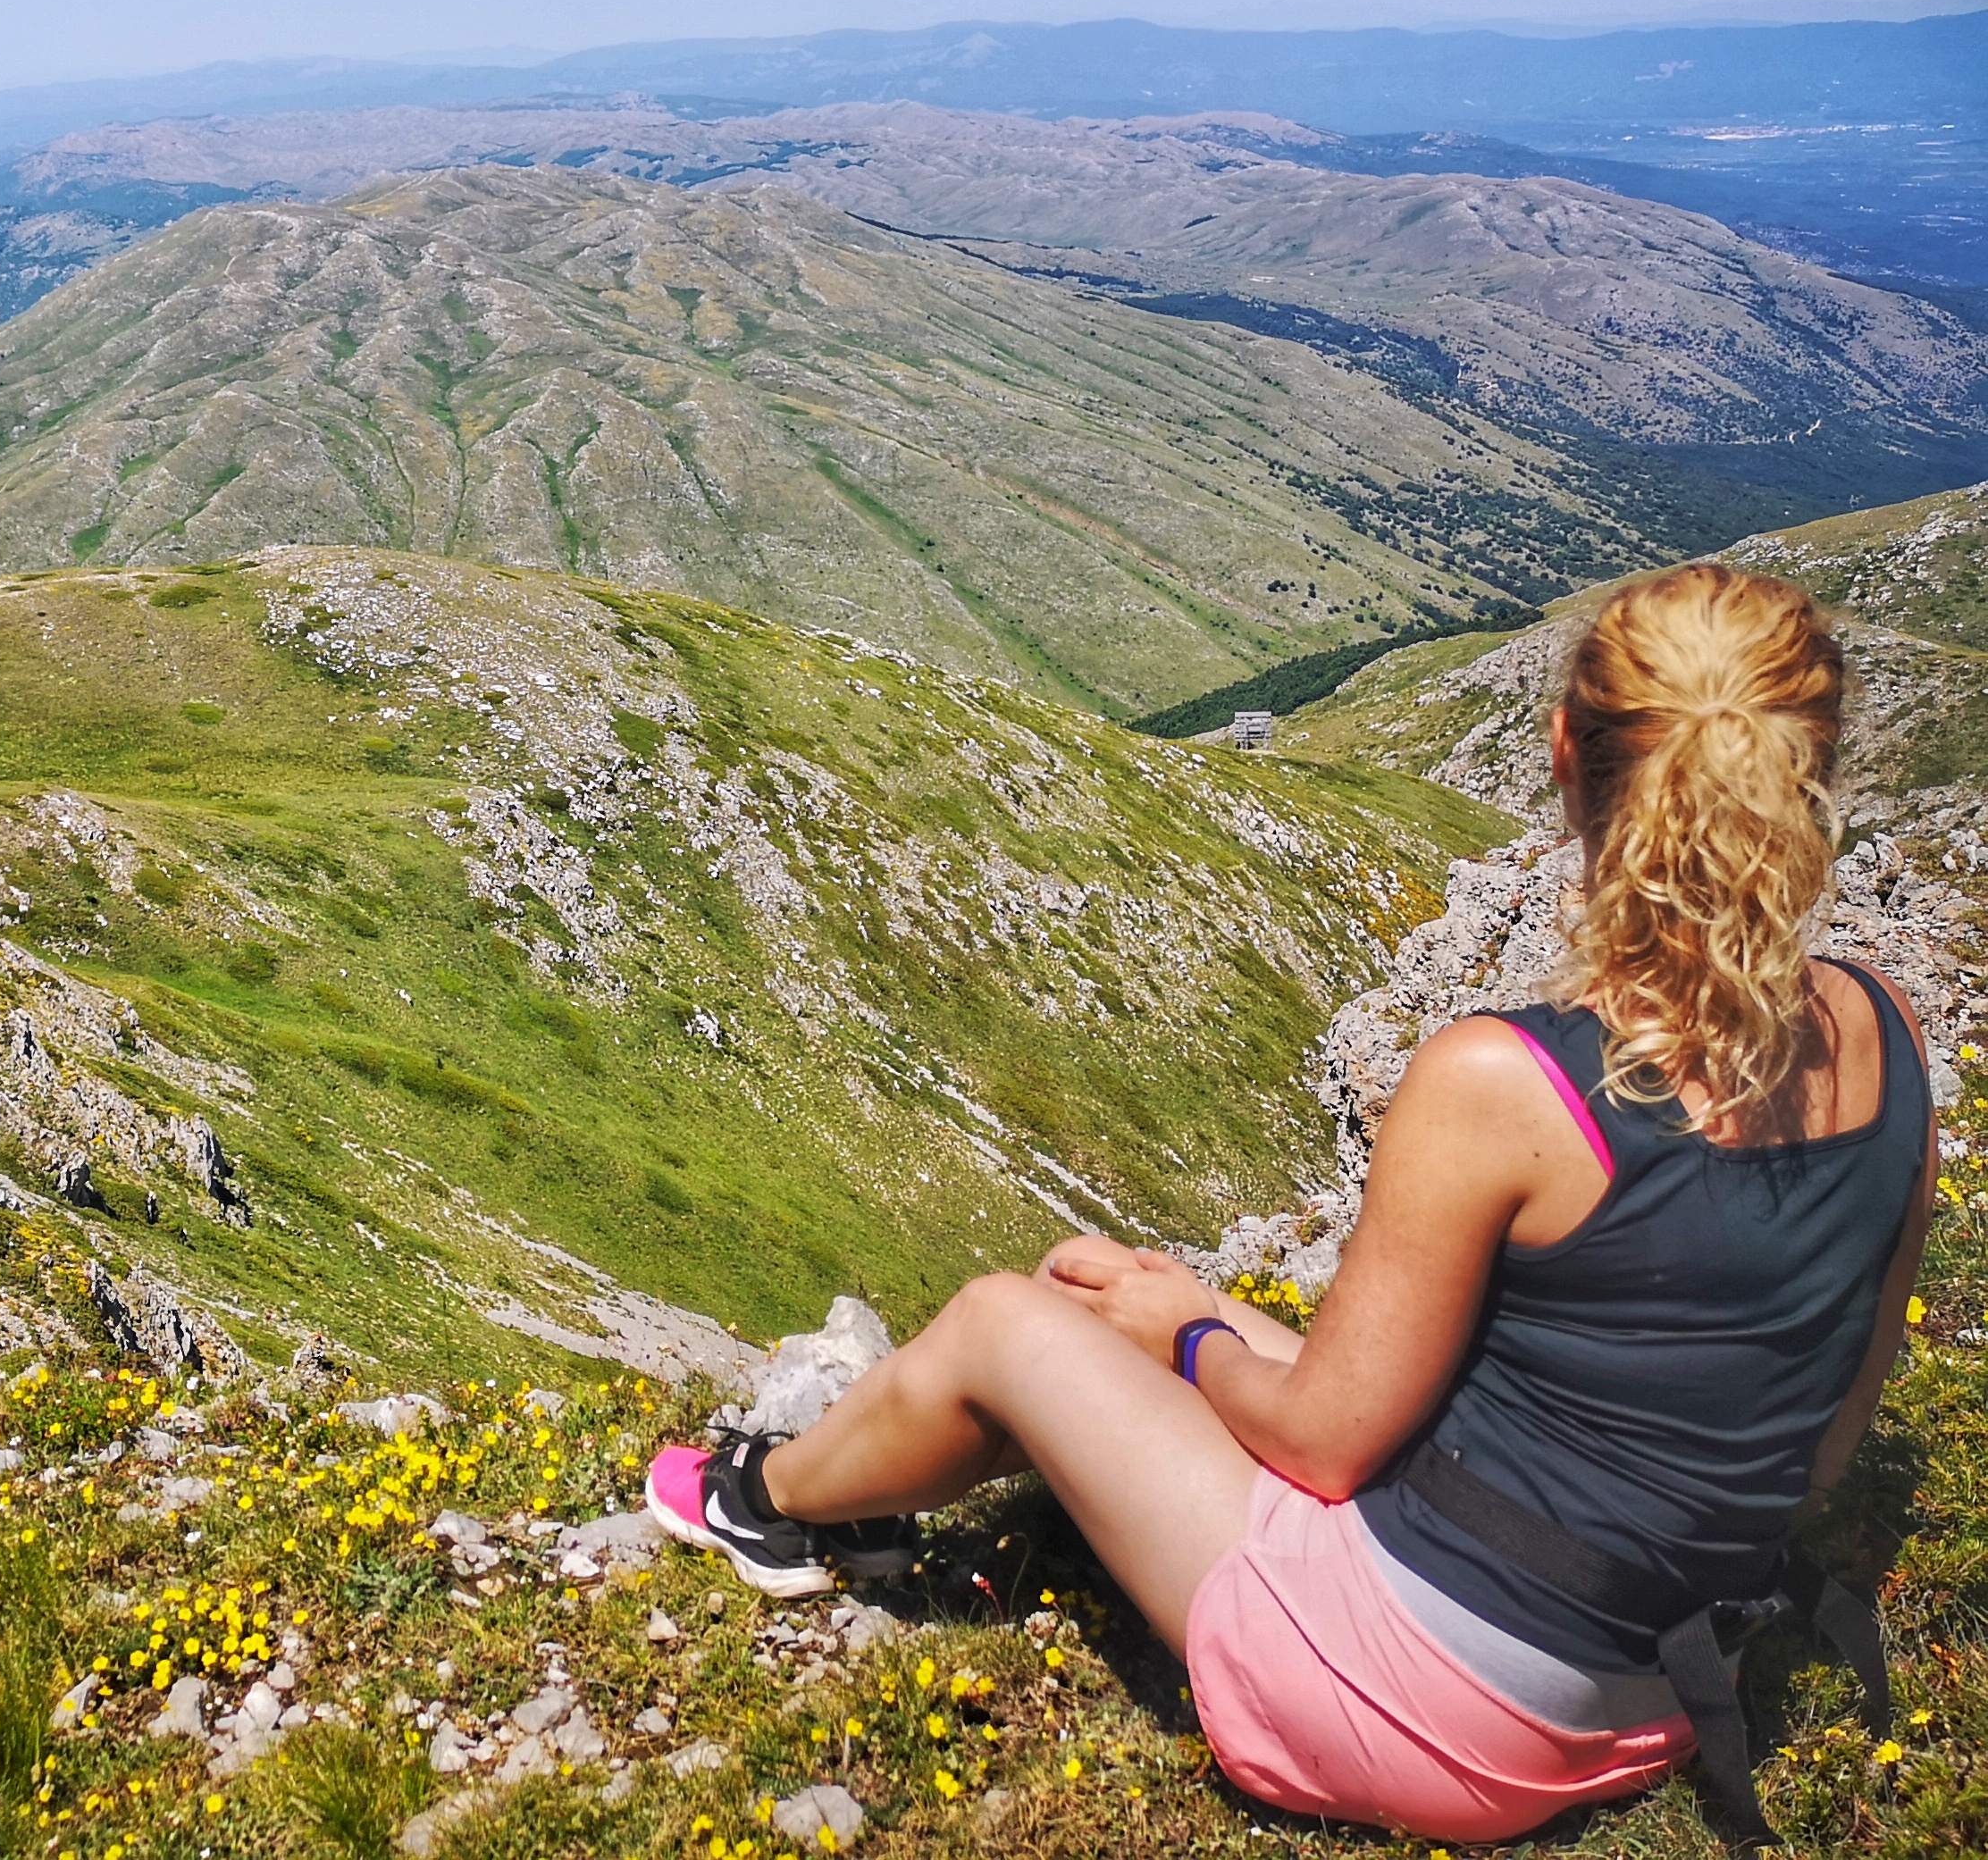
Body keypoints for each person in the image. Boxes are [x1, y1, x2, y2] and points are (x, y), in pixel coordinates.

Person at [646, 563, 1935, 1844]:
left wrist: (1194, 1343)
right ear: (1806, 773)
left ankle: (764, 1504)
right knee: (1124, 1300)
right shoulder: (1889, 1038)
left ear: (1564, 752)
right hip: (1666, 1674)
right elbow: (1818, 1447)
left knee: (1006, 1317)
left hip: (1441, 1703)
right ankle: (880, 1478)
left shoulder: (1507, 1080)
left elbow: (1325, 1445)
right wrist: (1191, 1314)